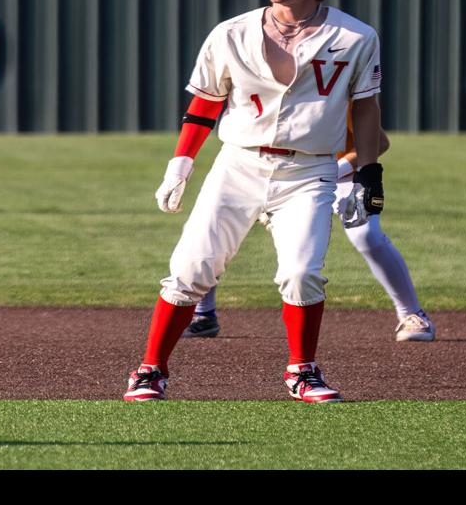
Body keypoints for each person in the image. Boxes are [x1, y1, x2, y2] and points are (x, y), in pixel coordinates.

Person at [125, 0, 385, 403]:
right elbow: (206, 102)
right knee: (190, 269)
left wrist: (368, 173)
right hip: (238, 165)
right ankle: (151, 370)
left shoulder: (356, 36)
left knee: (302, 273)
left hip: (310, 170)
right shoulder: (230, 33)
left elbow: (366, 107)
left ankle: (302, 371)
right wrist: (181, 163)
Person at [183, 116, 435, 343]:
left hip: (339, 174)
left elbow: (379, 142)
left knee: (366, 234)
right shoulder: (266, 82)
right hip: (276, 174)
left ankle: (411, 313)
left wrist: (338, 170)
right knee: (219, 226)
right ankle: (203, 314)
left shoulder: (330, 78)